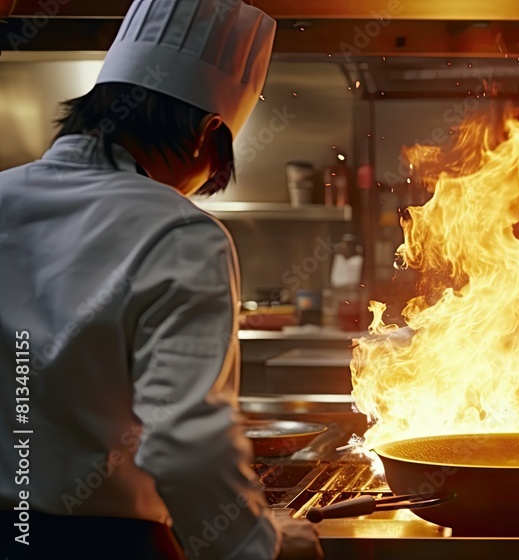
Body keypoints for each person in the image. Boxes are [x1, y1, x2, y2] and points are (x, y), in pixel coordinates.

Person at [0, 1, 322, 558]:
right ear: (208, 132)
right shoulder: (182, 233)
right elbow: (182, 442)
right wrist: (261, 545)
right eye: (210, 174)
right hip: (104, 546)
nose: (196, 191)